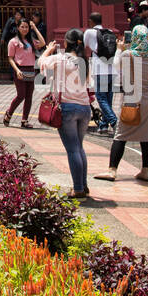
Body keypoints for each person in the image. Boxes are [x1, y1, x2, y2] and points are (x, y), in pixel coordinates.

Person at [95, 25, 148, 183]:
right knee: (146, 136)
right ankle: (145, 170)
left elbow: (116, 64)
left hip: (132, 99)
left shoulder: (128, 54)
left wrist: (119, 48)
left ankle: (112, 170)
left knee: (120, 135)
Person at [39, 29, 92, 199]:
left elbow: (41, 63)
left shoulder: (60, 59)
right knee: (79, 147)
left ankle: (77, 188)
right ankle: (83, 185)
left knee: (73, 150)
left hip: (67, 108)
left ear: (67, 43)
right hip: (84, 107)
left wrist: (48, 49)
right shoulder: (84, 60)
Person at [3, 18, 45, 128]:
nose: (25, 29)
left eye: (26, 27)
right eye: (22, 26)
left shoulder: (31, 41)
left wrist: (35, 28)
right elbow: (11, 58)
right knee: (20, 95)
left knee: (29, 96)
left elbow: (43, 42)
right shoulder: (13, 42)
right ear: (18, 27)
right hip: (20, 70)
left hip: (31, 70)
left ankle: (24, 120)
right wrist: (17, 70)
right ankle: (9, 113)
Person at [83, 11, 118, 136]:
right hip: (111, 70)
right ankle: (103, 125)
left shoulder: (89, 32)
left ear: (91, 21)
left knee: (101, 98)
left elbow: (82, 45)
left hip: (99, 70)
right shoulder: (110, 32)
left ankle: (114, 122)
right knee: (108, 99)